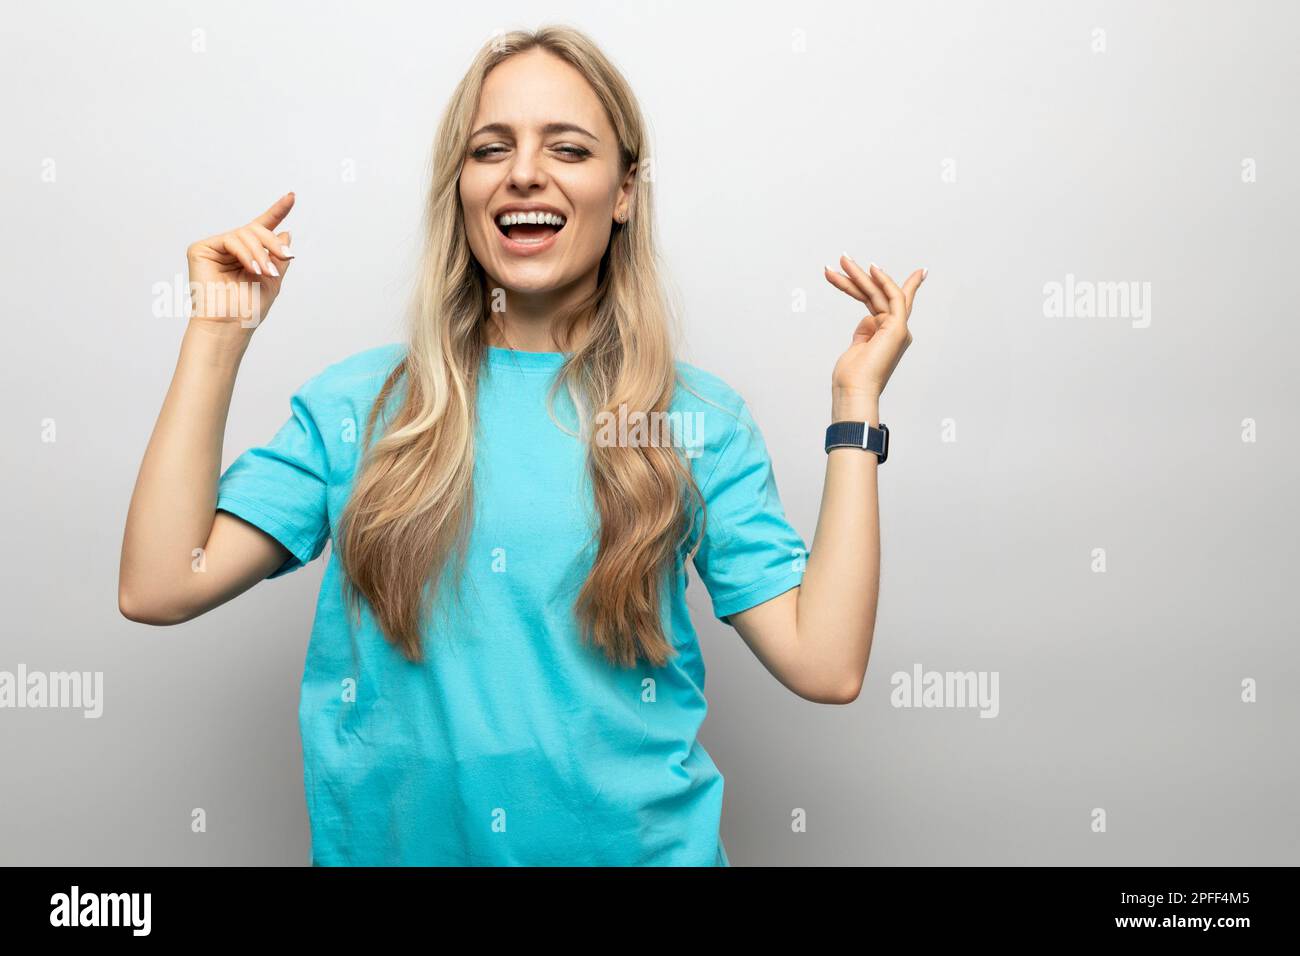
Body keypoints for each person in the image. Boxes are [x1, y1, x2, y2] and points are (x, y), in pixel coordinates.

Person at [117, 24, 924, 866]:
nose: (525, 172)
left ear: (625, 193)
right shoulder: (359, 407)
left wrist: (854, 409)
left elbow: (825, 665)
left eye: (569, 148)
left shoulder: (695, 421)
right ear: (459, 188)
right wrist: (219, 331)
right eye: (490, 148)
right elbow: (161, 584)